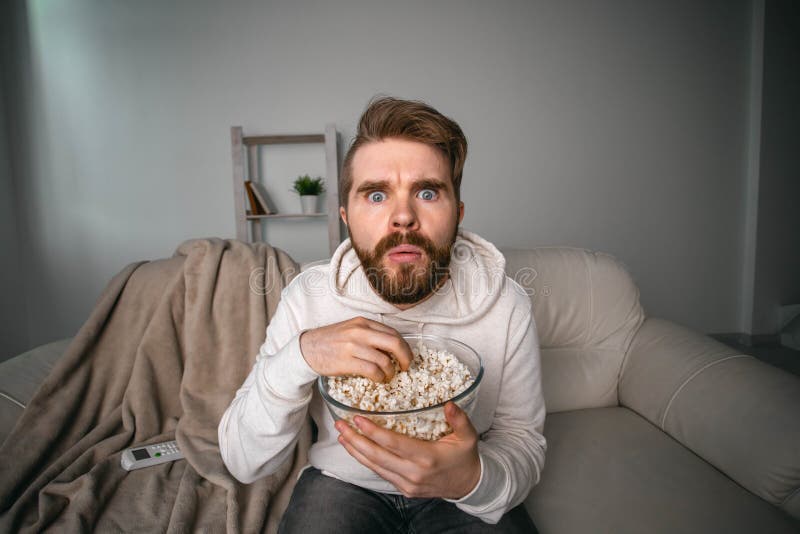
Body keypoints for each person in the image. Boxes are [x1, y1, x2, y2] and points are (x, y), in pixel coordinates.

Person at [218, 96, 546, 533]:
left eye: (428, 192)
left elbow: (522, 440)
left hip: (461, 491)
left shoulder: (507, 304)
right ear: (346, 218)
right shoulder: (308, 299)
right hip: (342, 484)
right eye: (376, 195)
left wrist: (474, 479)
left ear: (459, 214)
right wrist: (303, 354)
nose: (404, 217)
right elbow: (242, 461)